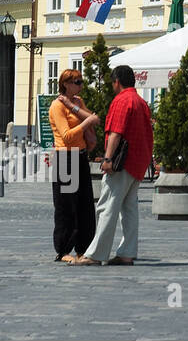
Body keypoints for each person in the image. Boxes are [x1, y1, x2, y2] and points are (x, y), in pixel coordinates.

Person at [76, 66, 153, 267]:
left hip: (122, 163)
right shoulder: (141, 102)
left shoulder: (122, 100)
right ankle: (127, 253)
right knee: (129, 209)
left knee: (107, 206)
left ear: (116, 81)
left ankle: (95, 254)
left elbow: (116, 132)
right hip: (138, 161)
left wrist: (107, 158)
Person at [48, 70, 98, 263]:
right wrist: (87, 123)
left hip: (81, 156)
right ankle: (63, 250)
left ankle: (84, 248)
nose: (80, 85)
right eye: (77, 82)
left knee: (85, 204)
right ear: (65, 84)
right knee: (66, 206)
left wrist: (78, 110)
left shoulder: (77, 101)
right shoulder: (57, 106)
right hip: (65, 158)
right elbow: (67, 135)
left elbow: (94, 118)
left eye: (82, 82)